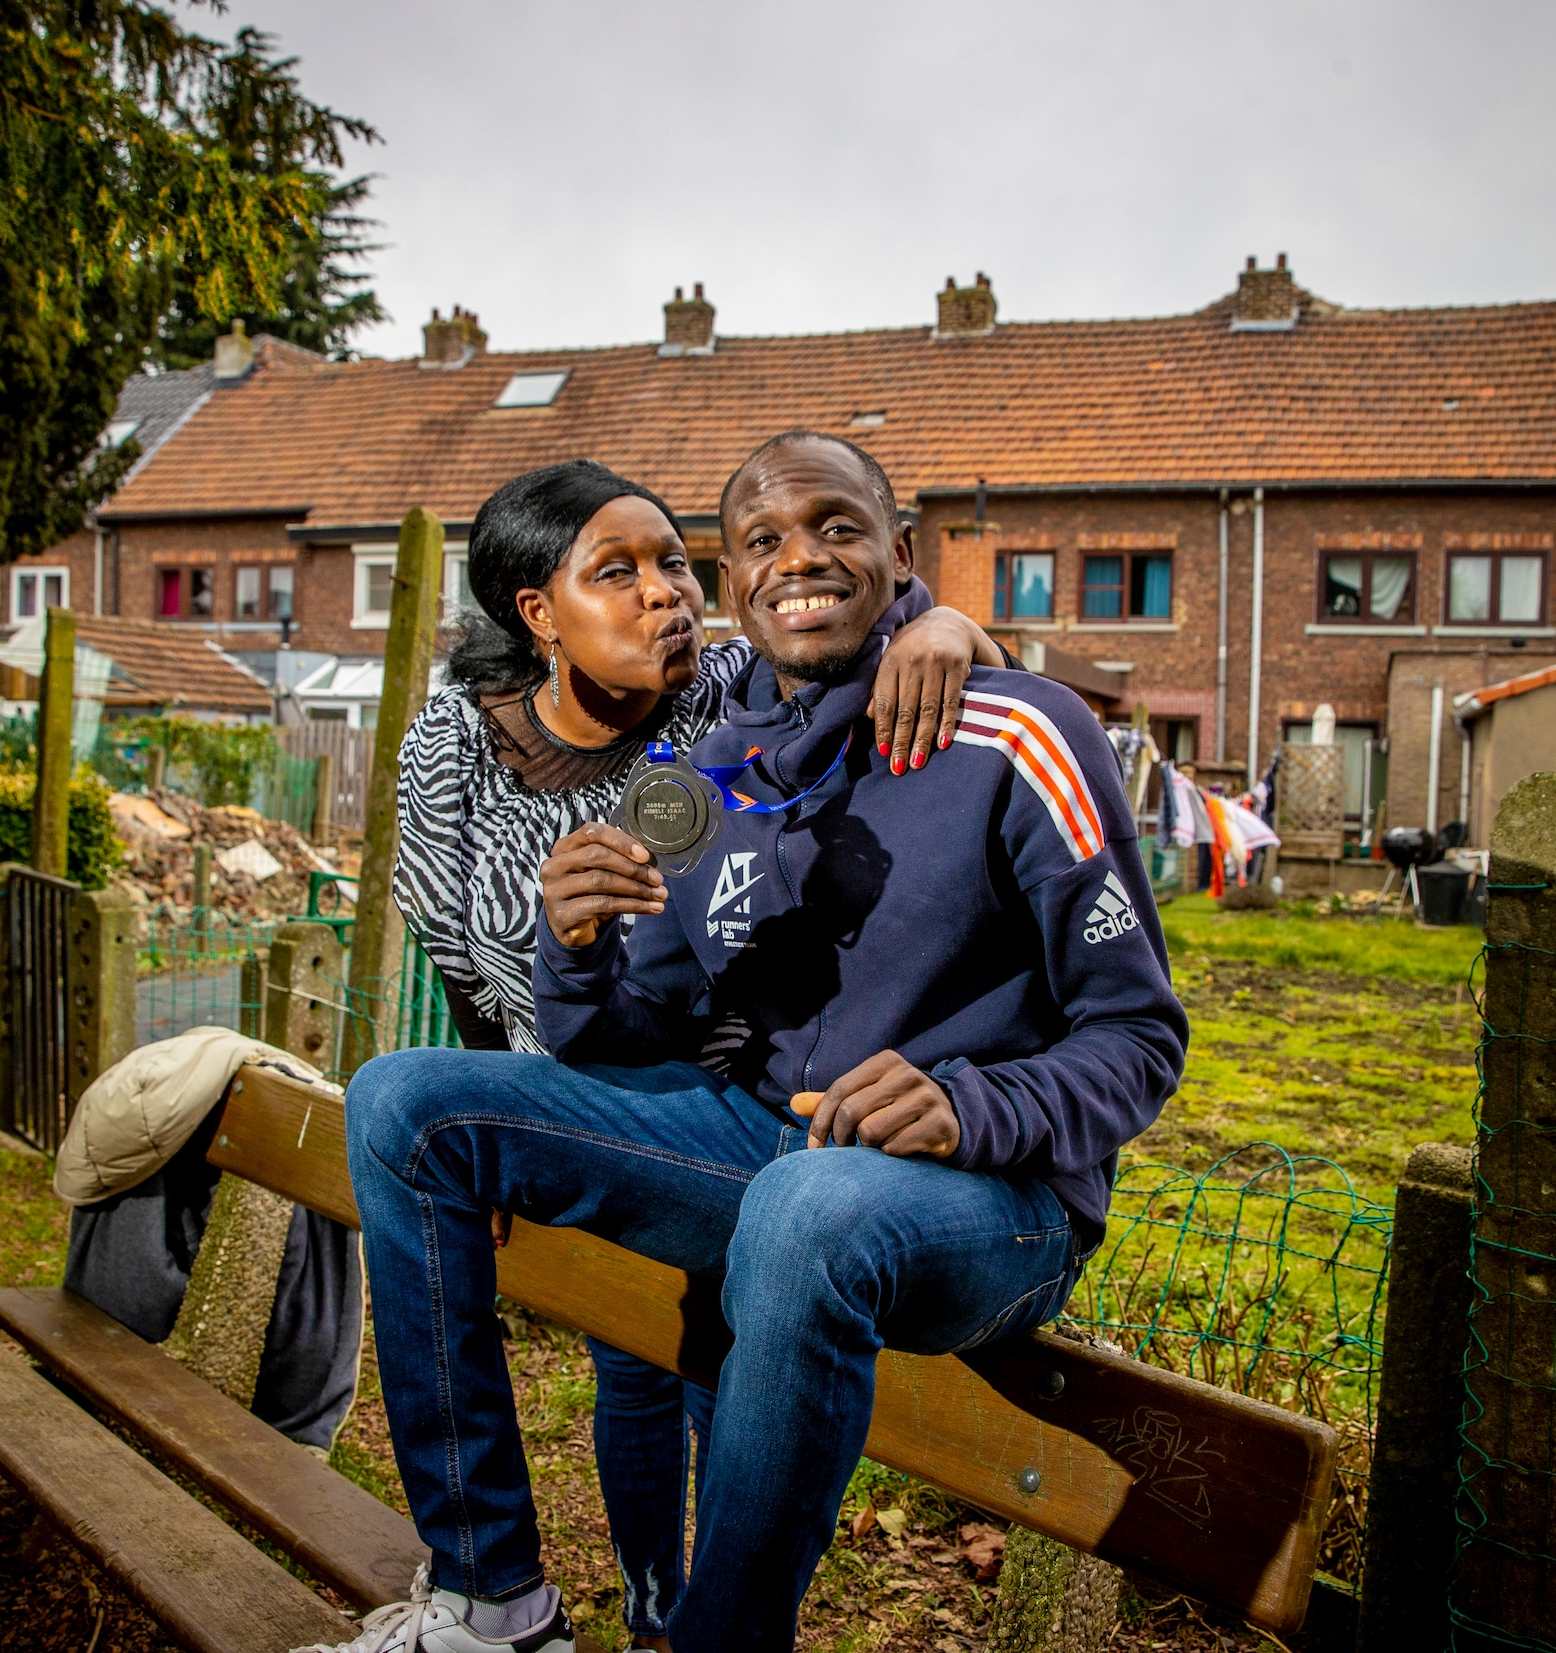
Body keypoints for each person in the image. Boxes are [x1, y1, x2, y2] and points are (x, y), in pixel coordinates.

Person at [317, 432, 1187, 1653]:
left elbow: (1139, 1034)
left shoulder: (1016, 730)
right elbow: (633, 1040)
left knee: (808, 1209)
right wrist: (572, 947)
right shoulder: (702, 772)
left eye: (835, 527)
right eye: (761, 542)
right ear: (735, 588)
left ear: (898, 549)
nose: (799, 560)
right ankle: (489, 1600)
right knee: (404, 1099)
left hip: (993, 1203)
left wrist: (968, 1108)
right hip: (763, 1150)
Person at [386, 458, 1005, 1650]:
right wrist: (491, 1115)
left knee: (714, 1346)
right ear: (537, 613)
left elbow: (857, 630)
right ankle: (638, 1596)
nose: (666, 595)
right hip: (561, 1084)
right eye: (616, 574)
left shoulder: (722, 692)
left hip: (714, 1090)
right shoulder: (454, 744)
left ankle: (711, 1619)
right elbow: (448, 947)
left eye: (674, 564)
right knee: (628, 1365)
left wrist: (947, 621)